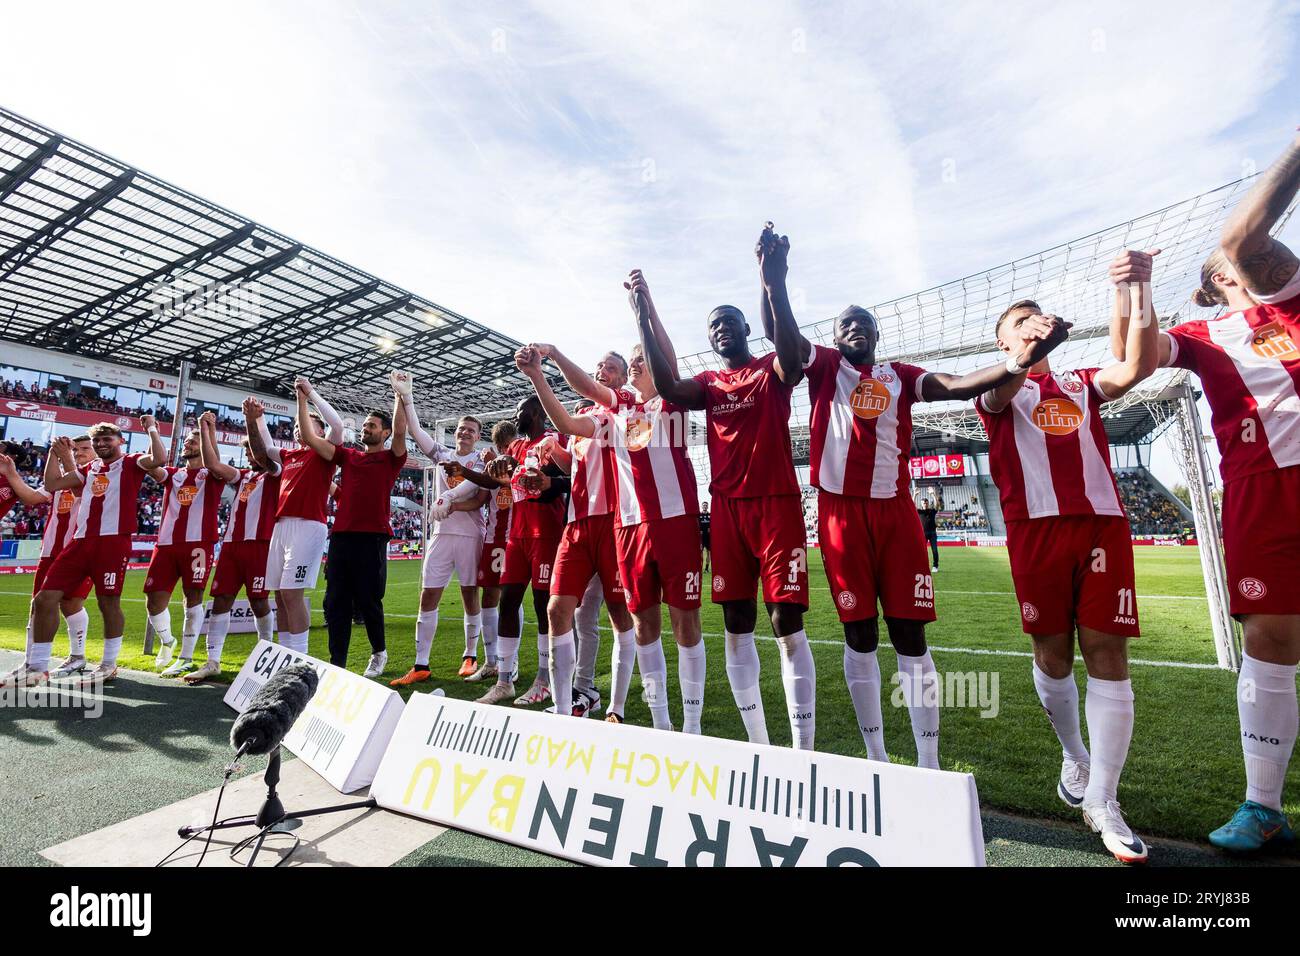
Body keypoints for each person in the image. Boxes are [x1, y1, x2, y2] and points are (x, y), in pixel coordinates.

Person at [761, 230, 1070, 768]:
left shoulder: (901, 376)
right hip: (839, 514)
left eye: (863, 322)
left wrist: (1022, 360)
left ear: (877, 333)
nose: (853, 328)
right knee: (858, 635)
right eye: (844, 325)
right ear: (835, 338)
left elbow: (956, 384)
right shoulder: (825, 366)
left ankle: (928, 762)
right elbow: (784, 340)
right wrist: (775, 277)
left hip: (896, 512)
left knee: (910, 636)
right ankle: (877, 755)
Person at [1139, 132, 1300, 852]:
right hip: (1258, 492)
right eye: (1228, 271)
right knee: (1270, 639)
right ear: (1212, 284)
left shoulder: (1290, 299)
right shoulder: (1200, 333)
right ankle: (1262, 806)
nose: (1243, 269)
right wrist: (1132, 288)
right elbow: (1136, 357)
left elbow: (1244, 236)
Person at [976, 248, 1161, 863]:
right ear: (1004, 341)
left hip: (1102, 525)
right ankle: (1075, 758)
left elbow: (1135, 363)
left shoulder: (1082, 383)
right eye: (1016, 322)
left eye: (1036, 316)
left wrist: (1135, 288)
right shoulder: (998, 389)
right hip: (1035, 530)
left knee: (1107, 651)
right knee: (1052, 655)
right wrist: (1023, 351)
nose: (1030, 323)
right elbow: (1003, 392)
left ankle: (1103, 799)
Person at [635, 228, 814, 749]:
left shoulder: (772, 369)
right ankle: (757, 741)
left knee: (786, 623)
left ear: (745, 331)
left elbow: (793, 355)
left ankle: (804, 751)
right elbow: (667, 385)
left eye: (729, 323)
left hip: (777, 505)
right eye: (713, 326)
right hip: (728, 512)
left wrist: (772, 280)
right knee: (737, 622)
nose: (720, 330)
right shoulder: (708, 385)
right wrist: (644, 310)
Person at [517, 342, 673, 724]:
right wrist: (555, 453)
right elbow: (573, 456)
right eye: (599, 365)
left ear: (622, 378)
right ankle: (562, 707)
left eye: (611, 366)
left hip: (614, 521)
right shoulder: (589, 414)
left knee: (622, 615)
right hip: (577, 522)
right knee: (557, 610)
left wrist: (545, 366)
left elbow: (572, 419)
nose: (603, 369)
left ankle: (616, 707)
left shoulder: (618, 413)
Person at [13, 418, 166, 685]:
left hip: (113, 541)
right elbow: (52, 485)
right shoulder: (91, 468)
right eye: (97, 440)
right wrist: (53, 454)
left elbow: (159, 458)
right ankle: (37, 667)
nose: (101, 444)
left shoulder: (132, 462)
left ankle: (108, 664)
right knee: (43, 600)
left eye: (107, 439)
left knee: (108, 603)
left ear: (120, 441)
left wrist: (151, 428)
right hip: (80, 542)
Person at [455, 395, 569, 706]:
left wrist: (519, 468)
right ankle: (505, 680)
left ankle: (544, 680)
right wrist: (483, 468)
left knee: (543, 606)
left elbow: (563, 480)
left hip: (545, 533)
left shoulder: (555, 439)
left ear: (536, 413)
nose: (516, 417)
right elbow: (497, 482)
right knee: (508, 603)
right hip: (517, 536)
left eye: (520, 411)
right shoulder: (516, 447)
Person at [389, 371, 489, 685]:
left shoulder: (481, 462)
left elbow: (480, 501)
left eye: (471, 430)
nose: (465, 433)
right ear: (455, 432)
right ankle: (421, 664)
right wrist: (407, 397)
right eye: (462, 429)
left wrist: (452, 503)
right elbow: (416, 430)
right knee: (428, 595)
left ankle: (470, 655)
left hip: (471, 534)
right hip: (441, 535)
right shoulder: (441, 454)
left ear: (477, 435)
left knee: (470, 595)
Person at [299, 387, 407, 676]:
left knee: (368, 599)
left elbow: (400, 432)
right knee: (336, 601)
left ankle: (378, 652)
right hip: (342, 536)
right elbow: (311, 438)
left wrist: (399, 395)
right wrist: (303, 398)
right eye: (365, 425)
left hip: (371, 536)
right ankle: (338, 664)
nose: (366, 428)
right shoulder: (348, 456)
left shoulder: (391, 458)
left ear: (383, 433)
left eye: (372, 425)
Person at [184, 410, 281, 683]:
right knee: (221, 599)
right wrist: (207, 429)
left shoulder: (275, 474)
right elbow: (213, 464)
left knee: (258, 600)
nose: (250, 454)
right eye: (248, 451)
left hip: (261, 544)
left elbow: (266, 455)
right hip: (231, 546)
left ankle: (267, 653)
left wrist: (253, 421)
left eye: (253, 450)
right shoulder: (242, 477)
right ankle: (212, 661)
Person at [245, 387, 336, 656]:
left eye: (307, 424)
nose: (300, 428)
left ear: (320, 432)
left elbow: (335, 424)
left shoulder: (325, 452)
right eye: (297, 425)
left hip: (308, 525)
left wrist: (306, 397)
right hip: (282, 526)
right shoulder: (288, 455)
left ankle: (301, 657)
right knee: (279, 596)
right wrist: (257, 419)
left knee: (291, 594)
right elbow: (262, 452)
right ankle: (286, 655)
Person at [145, 426, 225, 678]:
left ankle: (186, 658)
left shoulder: (212, 474)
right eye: (187, 441)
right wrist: (151, 430)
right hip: (166, 545)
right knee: (153, 600)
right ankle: (168, 641)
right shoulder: (173, 474)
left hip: (199, 543)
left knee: (193, 598)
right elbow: (150, 466)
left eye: (192, 442)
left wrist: (207, 430)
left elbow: (216, 460)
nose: (187, 445)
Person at [465, 419, 519, 685]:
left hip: (515, 539)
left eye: (511, 446)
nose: (508, 451)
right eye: (504, 447)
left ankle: (512, 662)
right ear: (497, 446)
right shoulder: (492, 469)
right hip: (492, 539)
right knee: (489, 597)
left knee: (510, 597)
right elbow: (479, 499)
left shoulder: (522, 463)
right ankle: (490, 661)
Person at [917, 499, 939, 572]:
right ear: (921, 504)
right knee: (922, 551)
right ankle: (922, 566)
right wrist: (915, 494)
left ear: (928, 503)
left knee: (934, 550)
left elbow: (937, 505)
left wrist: (933, 494)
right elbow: (912, 505)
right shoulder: (919, 511)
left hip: (932, 533)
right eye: (924, 503)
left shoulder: (932, 511)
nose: (925, 504)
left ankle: (935, 566)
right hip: (923, 534)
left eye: (926, 503)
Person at [698, 501, 711, 573]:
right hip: (702, 538)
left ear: (707, 506)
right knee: (701, 553)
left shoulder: (710, 515)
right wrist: (700, 530)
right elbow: (697, 525)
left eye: (706, 505)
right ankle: (700, 568)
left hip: (708, 537)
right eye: (704, 505)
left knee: (708, 553)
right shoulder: (699, 515)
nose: (705, 506)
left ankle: (706, 568)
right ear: (702, 506)